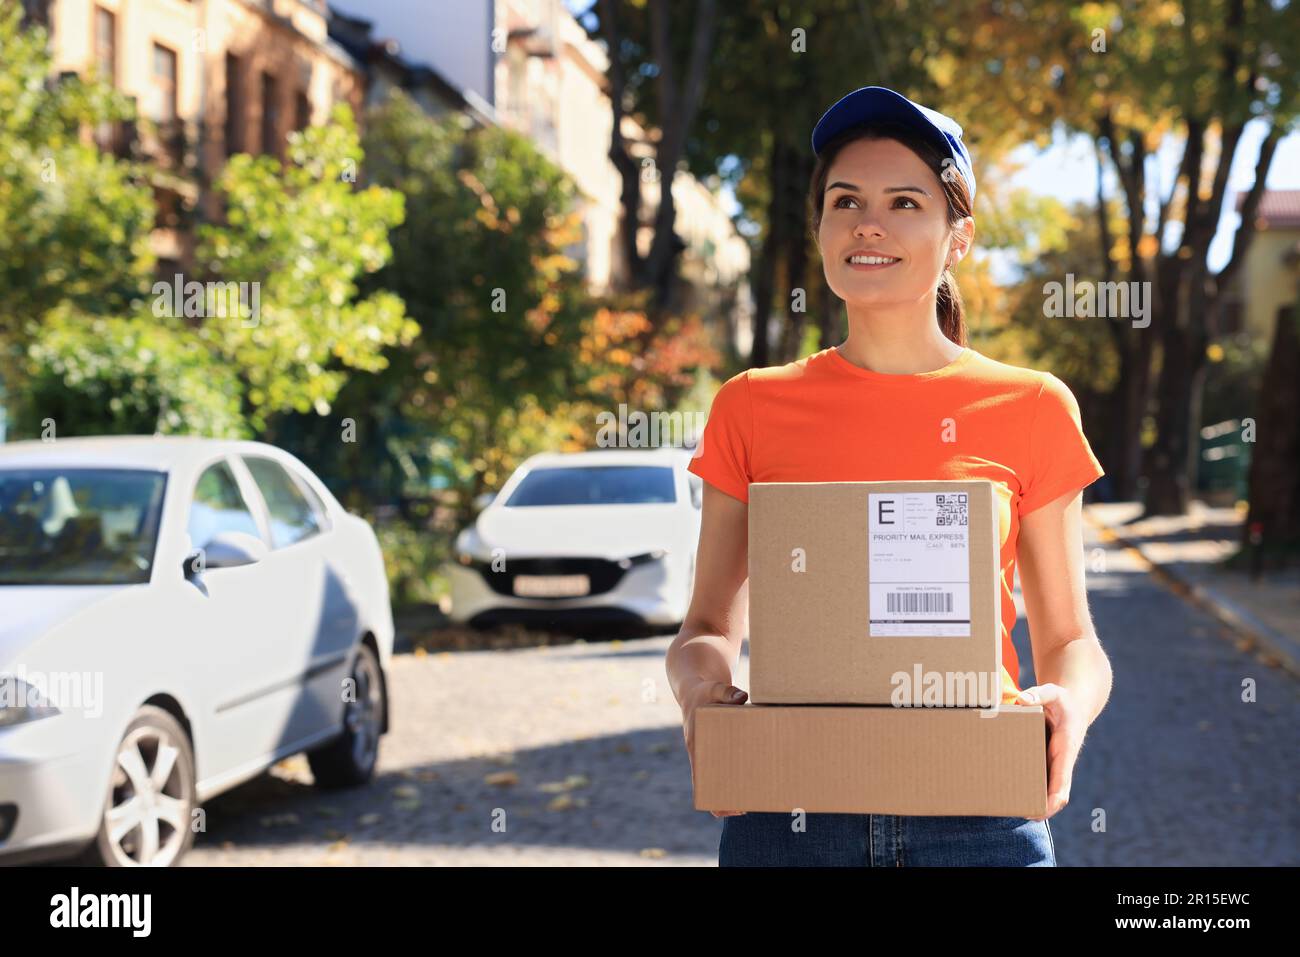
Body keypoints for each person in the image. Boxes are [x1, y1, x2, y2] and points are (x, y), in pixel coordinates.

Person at [665, 86, 1113, 867]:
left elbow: (1071, 637)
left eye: (905, 201)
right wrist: (701, 694)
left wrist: (1068, 704)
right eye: (846, 201)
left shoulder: (1033, 407)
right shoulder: (749, 406)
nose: (868, 222)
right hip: (790, 814)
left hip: (979, 814)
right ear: (822, 228)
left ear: (959, 235)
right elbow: (704, 626)